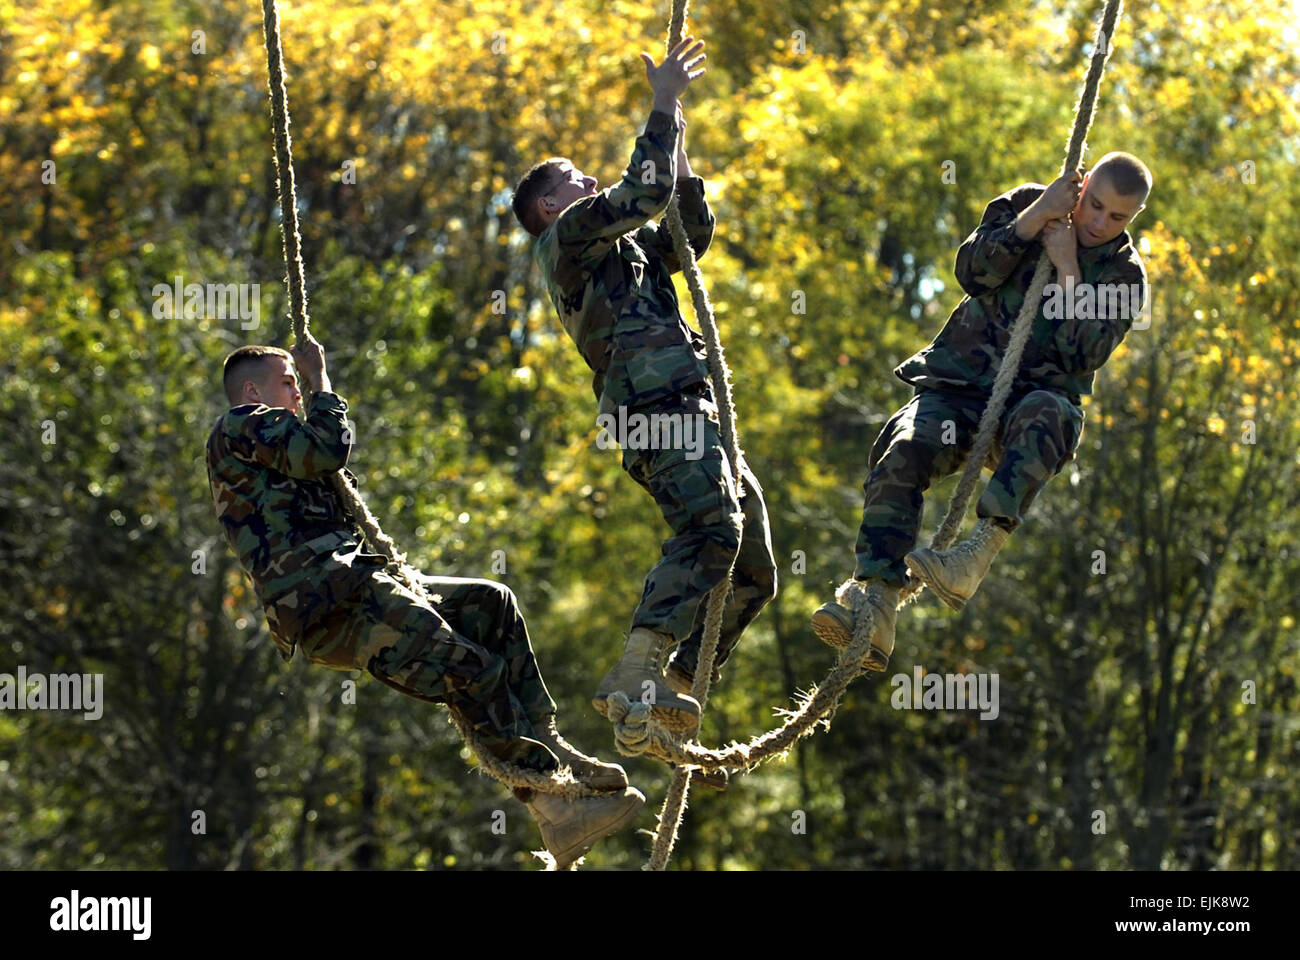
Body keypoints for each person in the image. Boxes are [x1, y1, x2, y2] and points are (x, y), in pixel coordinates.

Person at [205, 333, 643, 869]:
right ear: (252, 389)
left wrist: (316, 393)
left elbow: (321, 459)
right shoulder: (238, 426)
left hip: (357, 583)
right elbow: (325, 448)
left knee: (491, 604)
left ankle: (548, 742)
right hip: (332, 605)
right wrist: (321, 380)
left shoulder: (273, 441)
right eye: (287, 382)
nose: (297, 391)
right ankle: (554, 802)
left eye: (298, 383)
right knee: (470, 668)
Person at [511, 36, 777, 735]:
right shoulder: (566, 242)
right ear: (546, 207)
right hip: (650, 408)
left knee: (753, 570)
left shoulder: (623, 255)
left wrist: (677, 127)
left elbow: (688, 229)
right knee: (711, 527)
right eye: (571, 180)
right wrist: (660, 103)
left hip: (687, 406)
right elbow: (644, 192)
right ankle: (637, 670)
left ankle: (677, 686)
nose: (588, 184)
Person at [812, 153, 1152, 671]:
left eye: (1118, 218)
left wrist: (1066, 268)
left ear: (1134, 219)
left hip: (1029, 413)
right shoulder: (1028, 204)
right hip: (958, 389)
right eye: (1095, 206)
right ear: (1081, 189)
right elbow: (971, 272)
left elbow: (1081, 354)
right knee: (903, 450)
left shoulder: (1124, 276)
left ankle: (976, 554)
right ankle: (877, 600)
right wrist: (1035, 219)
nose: (1100, 223)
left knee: (1051, 412)